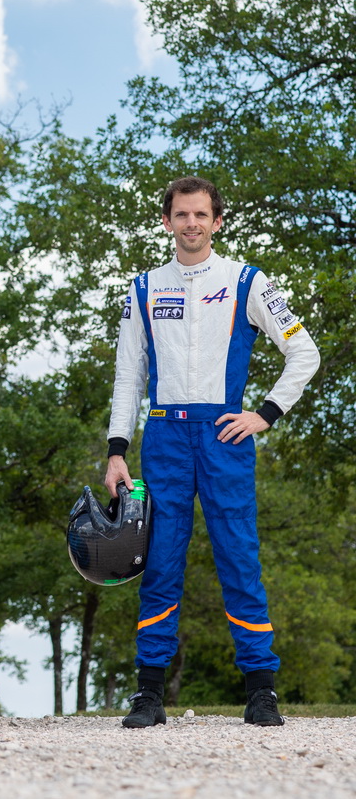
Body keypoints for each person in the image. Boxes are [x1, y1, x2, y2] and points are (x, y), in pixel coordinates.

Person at [104, 176, 320, 729]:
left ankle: (261, 692)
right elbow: (129, 373)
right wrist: (117, 450)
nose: (192, 224)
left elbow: (304, 351)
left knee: (239, 558)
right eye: (182, 215)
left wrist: (264, 414)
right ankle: (149, 694)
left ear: (218, 221)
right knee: (159, 562)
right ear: (166, 221)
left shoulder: (247, 280)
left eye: (202, 215)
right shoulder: (143, 288)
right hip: (165, 438)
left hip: (226, 436)